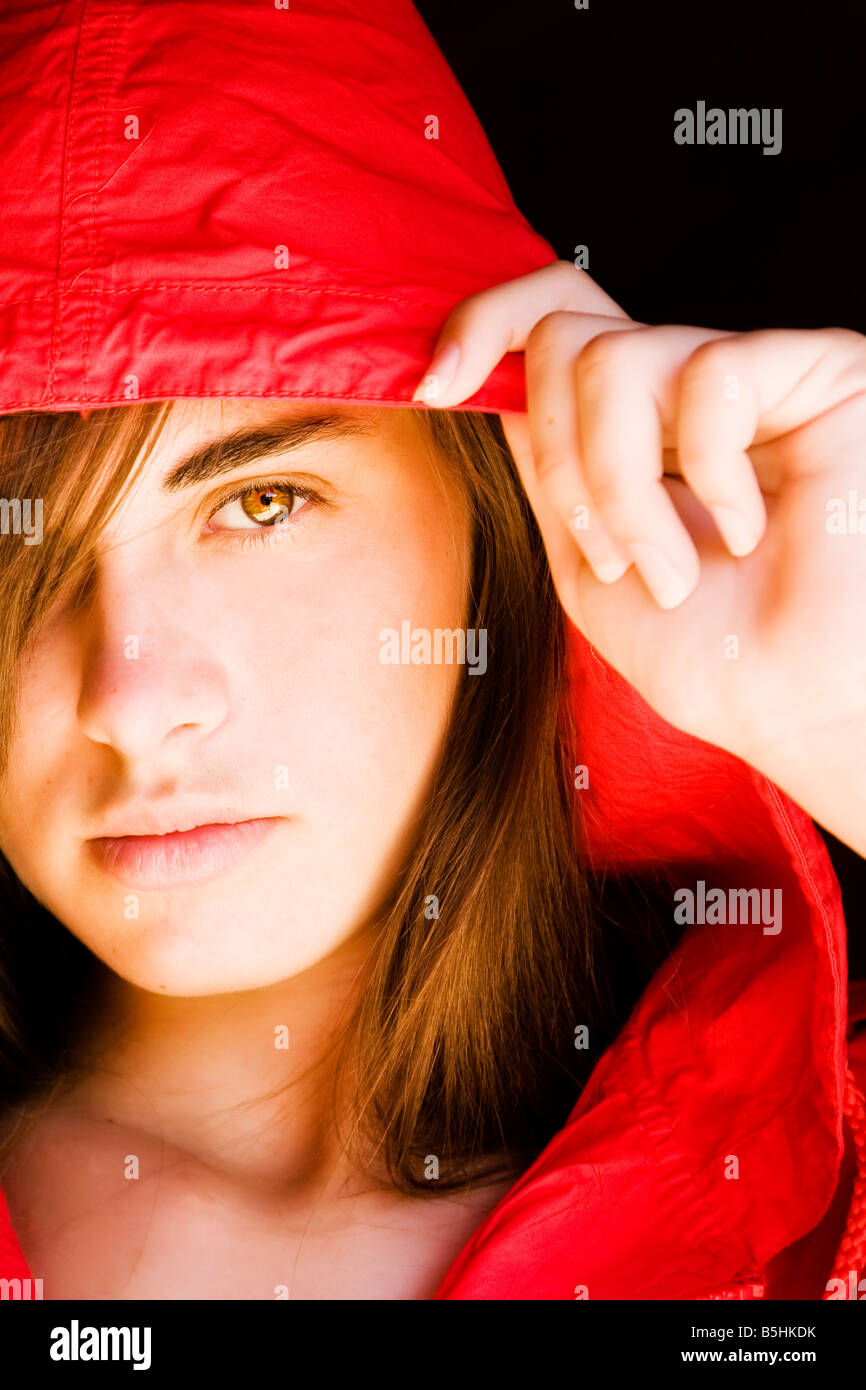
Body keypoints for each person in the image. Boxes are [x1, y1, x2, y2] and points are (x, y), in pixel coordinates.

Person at [0, 0, 864, 1301]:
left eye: (261, 501)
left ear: (494, 507)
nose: (133, 696)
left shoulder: (823, 1177)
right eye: (11, 546)